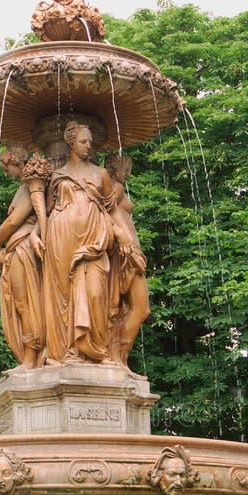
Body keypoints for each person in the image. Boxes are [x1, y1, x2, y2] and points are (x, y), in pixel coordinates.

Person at [40, 121, 132, 364]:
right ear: (70, 143)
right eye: (83, 141)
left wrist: (123, 235)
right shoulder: (57, 175)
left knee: (95, 293)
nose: (88, 146)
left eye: (90, 141)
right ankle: (68, 352)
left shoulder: (100, 173)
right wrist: (34, 235)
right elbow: (47, 211)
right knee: (64, 297)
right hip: (61, 239)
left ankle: (95, 351)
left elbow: (111, 209)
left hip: (94, 241)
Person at [0, 145, 45, 369]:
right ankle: (30, 357)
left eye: (7, 167)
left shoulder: (29, 187)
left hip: (24, 248)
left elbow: (14, 221)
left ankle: (31, 358)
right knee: (23, 304)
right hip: (19, 246)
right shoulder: (26, 186)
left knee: (26, 304)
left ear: (17, 162)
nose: (6, 173)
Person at [104, 153, 150, 369]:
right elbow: (103, 212)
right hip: (126, 253)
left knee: (132, 308)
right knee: (139, 308)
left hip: (130, 250)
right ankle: (118, 357)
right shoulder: (115, 187)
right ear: (114, 168)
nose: (129, 173)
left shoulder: (116, 186)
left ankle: (119, 357)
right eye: (125, 167)